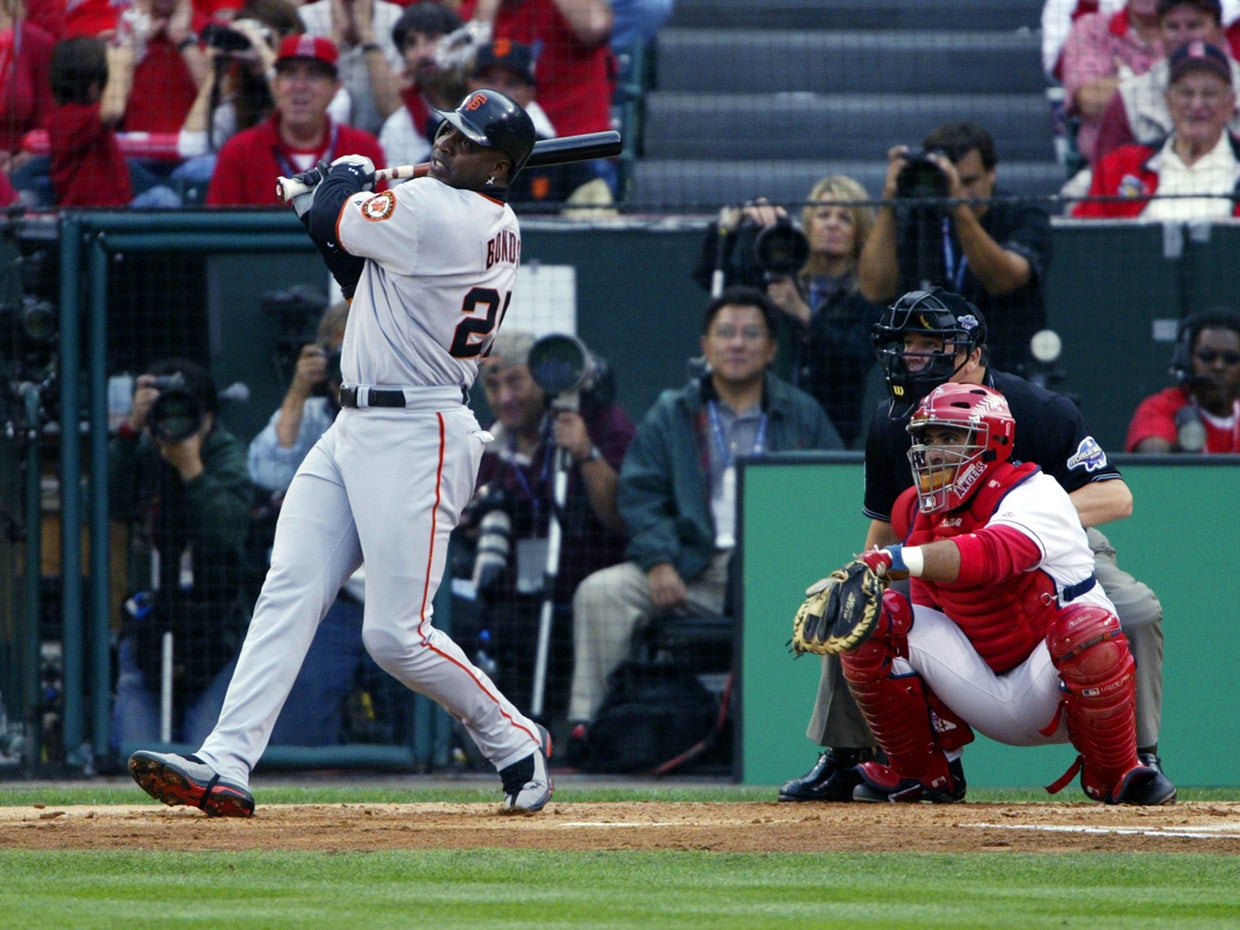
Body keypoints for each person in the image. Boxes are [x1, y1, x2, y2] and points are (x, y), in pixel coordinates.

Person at [127, 87, 554, 817]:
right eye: (447, 131)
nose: (446, 144)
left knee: (396, 636)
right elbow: (359, 274)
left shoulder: (440, 210)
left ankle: (513, 736)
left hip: (419, 433)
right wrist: (324, 201)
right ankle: (227, 759)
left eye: (467, 141)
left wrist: (343, 177)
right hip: (356, 424)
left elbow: (339, 220)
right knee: (289, 587)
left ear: (498, 168)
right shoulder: (480, 217)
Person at [779, 288, 1175, 804]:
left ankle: (1135, 756)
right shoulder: (891, 420)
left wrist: (1017, 521)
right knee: (857, 606)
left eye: (931, 346)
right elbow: (885, 529)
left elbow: (1116, 497)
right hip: (934, 545)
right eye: (907, 345)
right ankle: (853, 754)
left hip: (1052, 548)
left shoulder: (1037, 408)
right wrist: (860, 574)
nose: (914, 358)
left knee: (1135, 610)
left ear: (973, 356)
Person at [564, 286, 843, 765]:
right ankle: (592, 731)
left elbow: (829, 492)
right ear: (705, 346)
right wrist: (658, 561)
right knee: (601, 592)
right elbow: (640, 494)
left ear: (771, 349)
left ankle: (817, 743)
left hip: (778, 572)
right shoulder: (672, 412)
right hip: (692, 565)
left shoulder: (802, 413)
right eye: (726, 333)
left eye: (751, 334)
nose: (738, 343)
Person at [248, 300, 416, 746]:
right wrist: (298, 390)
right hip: (332, 596)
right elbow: (266, 471)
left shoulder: (408, 414)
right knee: (302, 718)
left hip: (395, 585)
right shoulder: (313, 416)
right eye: (340, 353)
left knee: (409, 693)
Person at [457, 328, 635, 717]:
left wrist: (586, 453)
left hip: (584, 595)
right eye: (493, 386)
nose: (505, 397)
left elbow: (625, 516)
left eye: (516, 382)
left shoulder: (600, 424)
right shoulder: (488, 447)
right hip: (511, 607)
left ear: (544, 378)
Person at [108, 358, 253, 750]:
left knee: (207, 758)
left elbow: (227, 530)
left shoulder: (224, 451)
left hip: (216, 629)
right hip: (148, 624)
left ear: (208, 418)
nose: (175, 425)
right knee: (136, 756)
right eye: (166, 413)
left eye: (185, 413)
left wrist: (191, 469)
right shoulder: (143, 449)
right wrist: (131, 430)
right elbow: (109, 502)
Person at [691, 176, 885, 448]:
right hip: (767, 422)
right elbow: (708, 276)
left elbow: (856, 360)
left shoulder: (868, 293)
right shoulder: (781, 272)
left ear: (859, 232)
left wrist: (804, 314)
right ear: (808, 224)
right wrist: (732, 225)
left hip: (829, 430)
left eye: (844, 218)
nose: (832, 224)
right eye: (823, 215)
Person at [856, 121, 1053, 377]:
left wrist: (957, 206)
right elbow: (874, 289)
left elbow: (1004, 279)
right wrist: (889, 199)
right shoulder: (918, 217)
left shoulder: (1023, 215)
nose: (960, 189)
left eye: (969, 181)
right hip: (931, 375)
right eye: (950, 181)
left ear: (992, 172)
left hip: (1005, 370)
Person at [453, 0, 617, 190]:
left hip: (578, 147)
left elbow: (594, 26)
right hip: (498, 150)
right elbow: (464, 64)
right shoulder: (480, 6)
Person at [205, 33, 385, 206]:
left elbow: (379, 220)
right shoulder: (239, 152)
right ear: (276, 83)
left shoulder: (363, 150)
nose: (300, 86)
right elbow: (219, 226)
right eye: (290, 74)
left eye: (314, 75)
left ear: (335, 87)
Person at [1073, 40, 1240, 219]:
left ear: (1230, 103)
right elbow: (1084, 232)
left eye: (1209, 94)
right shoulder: (1121, 165)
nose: (1196, 105)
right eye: (1186, 93)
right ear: (1168, 101)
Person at [464, 37, 612, 211]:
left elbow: (597, 210)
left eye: (512, 83)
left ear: (530, 93)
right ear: (471, 85)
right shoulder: (447, 145)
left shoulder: (551, 156)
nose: (498, 91)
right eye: (489, 80)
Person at [1093, 0, 1240, 163]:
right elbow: (1106, 169)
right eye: (1172, 27)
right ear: (1159, 33)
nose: (1183, 37)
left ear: (1220, 31)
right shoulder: (1130, 96)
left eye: (1194, 26)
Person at [1060, 0, 1165, 163]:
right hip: (1106, 166)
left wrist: (1126, 82)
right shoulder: (1092, 27)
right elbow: (1089, 99)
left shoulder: (1195, 29)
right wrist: (1165, 85)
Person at [1126, 305, 1240, 451]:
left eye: (1231, 359)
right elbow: (1152, 455)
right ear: (1187, 360)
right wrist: (1179, 448)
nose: (1218, 367)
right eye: (1207, 357)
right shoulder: (1160, 407)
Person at [43, 35, 134, 206]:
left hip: (115, 210)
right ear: (93, 87)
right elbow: (114, 110)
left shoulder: (88, 112)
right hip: (89, 215)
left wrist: (126, 60)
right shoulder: (67, 118)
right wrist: (116, 64)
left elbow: (122, 96)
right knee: (164, 197)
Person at [376, 0, 464, 168]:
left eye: (432, 38)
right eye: (411, 43)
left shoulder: (486, 105)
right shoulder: (396, 128)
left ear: (458, 45)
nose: (422, 53)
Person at [297, 0, 405, 135]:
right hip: (321, 139)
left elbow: (394, 112)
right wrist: (336, 34)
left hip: (379, 140)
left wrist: (366, 33)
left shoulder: (393, 17)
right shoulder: (308, 17)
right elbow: (303, 105)